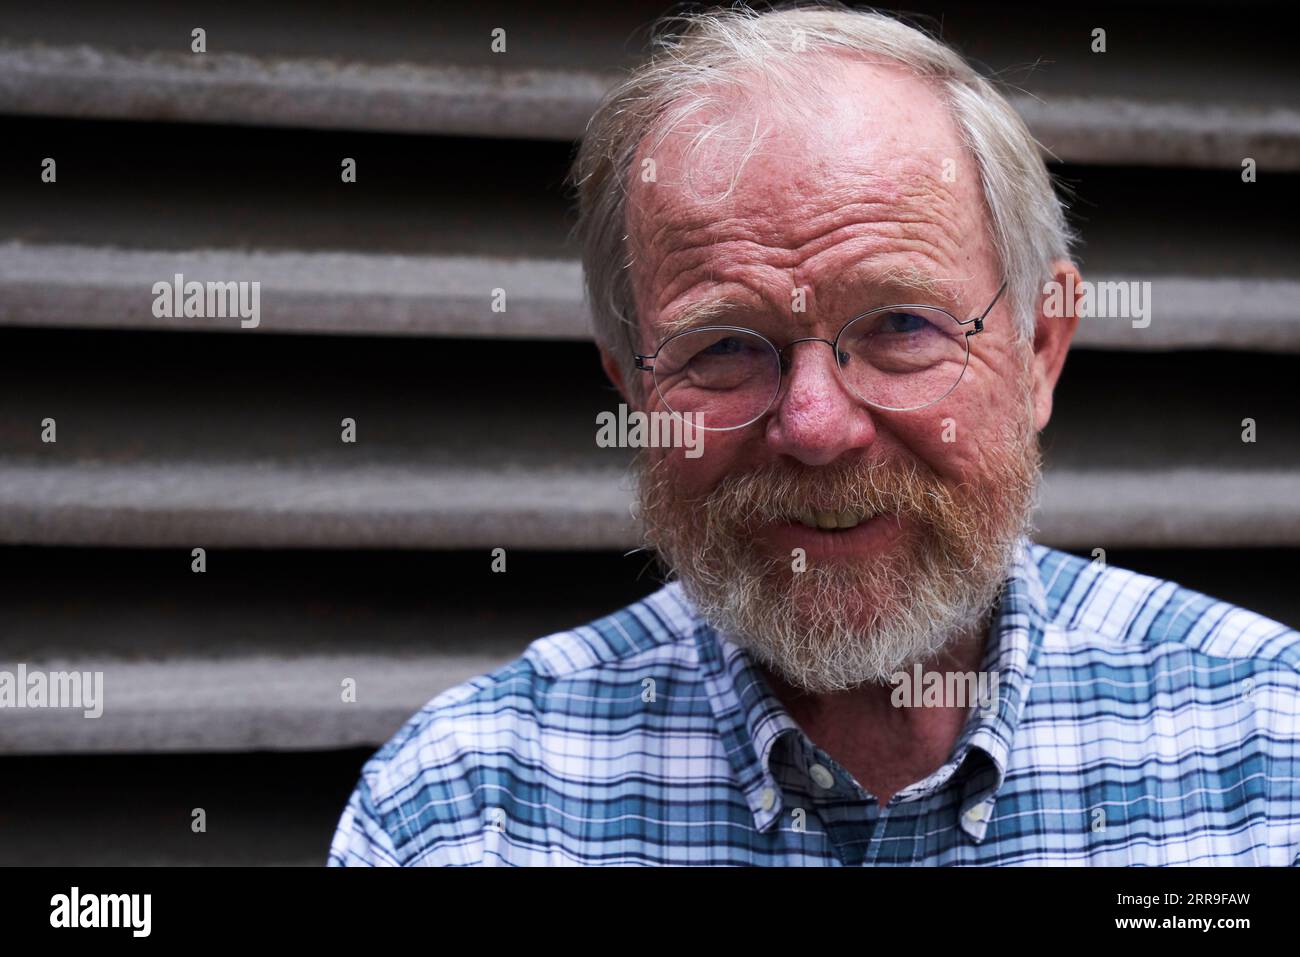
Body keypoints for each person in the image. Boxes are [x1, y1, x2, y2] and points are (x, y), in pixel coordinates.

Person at [329, 5, 1299, 866]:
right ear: (632, 385)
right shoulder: (467, 813)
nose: (815, 427)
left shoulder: (1268, 751)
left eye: (901, 327)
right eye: (723, 347)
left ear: (1038, 349)